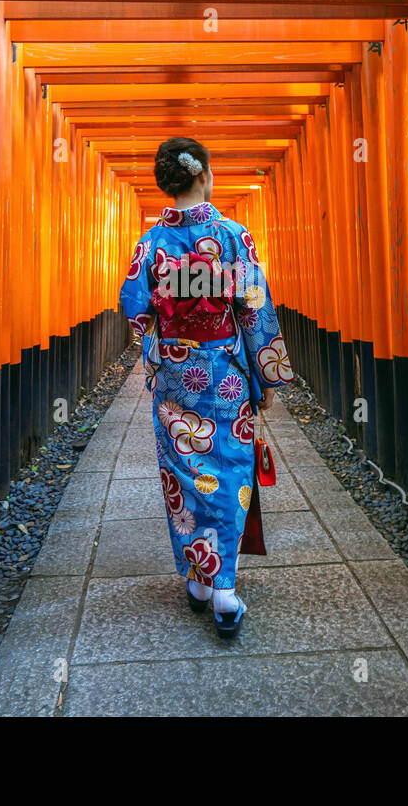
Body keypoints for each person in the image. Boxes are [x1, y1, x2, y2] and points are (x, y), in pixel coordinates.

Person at [119, 137, 293, 637]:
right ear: (205, 176)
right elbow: (255, 309)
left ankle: (199, 579)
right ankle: (225, 592)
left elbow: (137, 311)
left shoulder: (150, 246)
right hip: (225, 377)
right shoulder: (236, 237)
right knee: (230, 475)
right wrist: (267, 375)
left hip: (176, 379)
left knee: (185, 477)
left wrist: (162, 350)